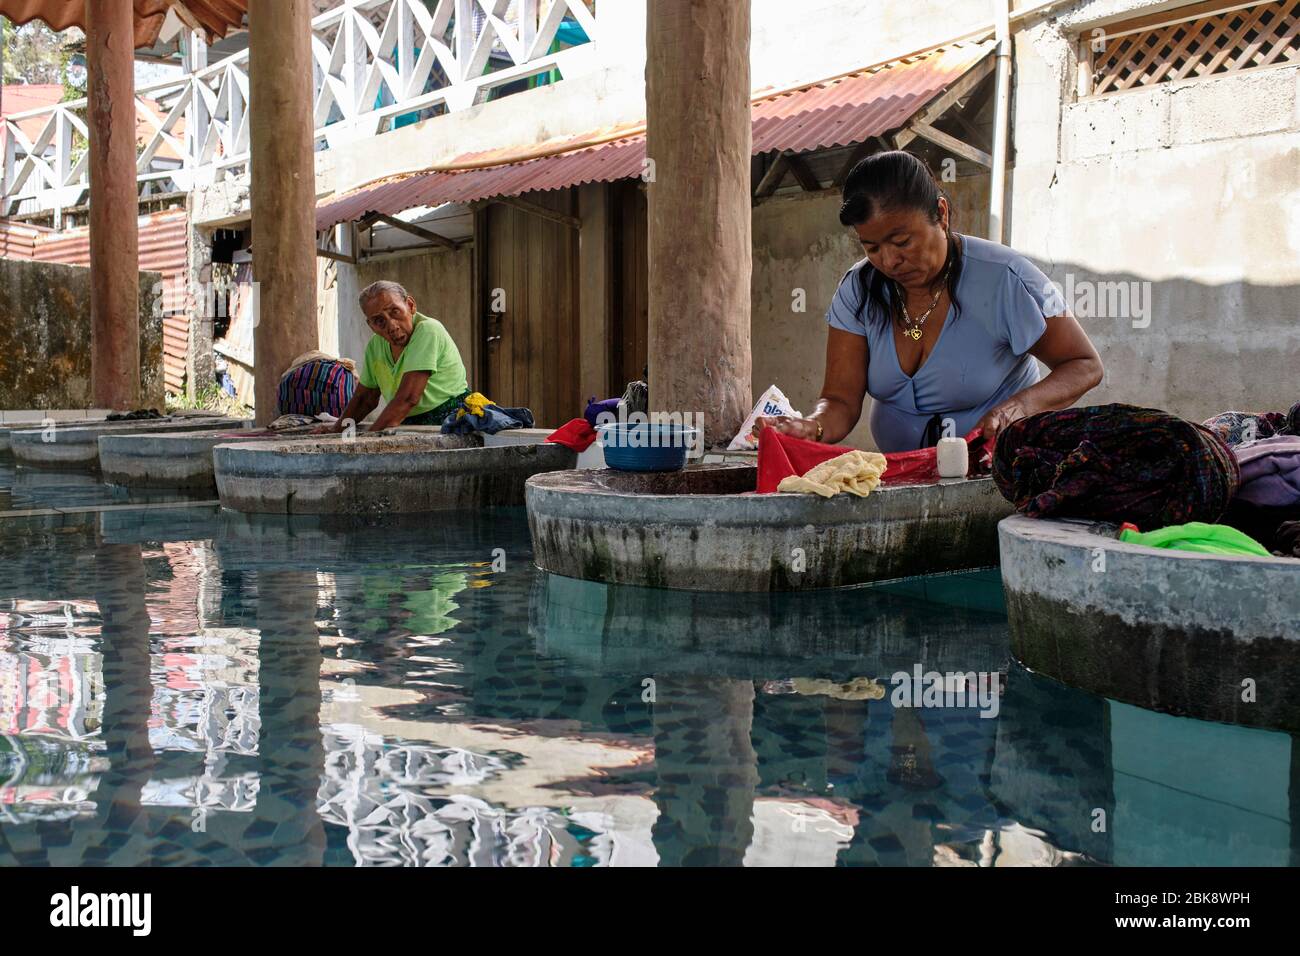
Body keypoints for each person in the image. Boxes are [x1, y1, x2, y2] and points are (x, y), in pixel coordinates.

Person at [755, 151, 1103, 453]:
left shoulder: (1005, 278)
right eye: (871, 247)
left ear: (941, 213)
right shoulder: (858, 290)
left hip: (998, 471)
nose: (889, 262)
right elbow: (841, 401)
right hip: (906, 478)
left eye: (902, 241)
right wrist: (811, 427)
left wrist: (1017, 408)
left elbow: (1084, 365)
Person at [315, 280, 469, 433]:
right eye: (379, 321)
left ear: (410, 305)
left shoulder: (428, 330)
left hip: (450, 420)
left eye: (395, 312)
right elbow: (365, 399)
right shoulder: (375, 346)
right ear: (371, 325)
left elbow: (408, 398)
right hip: (407, 422)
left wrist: (369, 439)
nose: (392, 326)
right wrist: (336, 429)